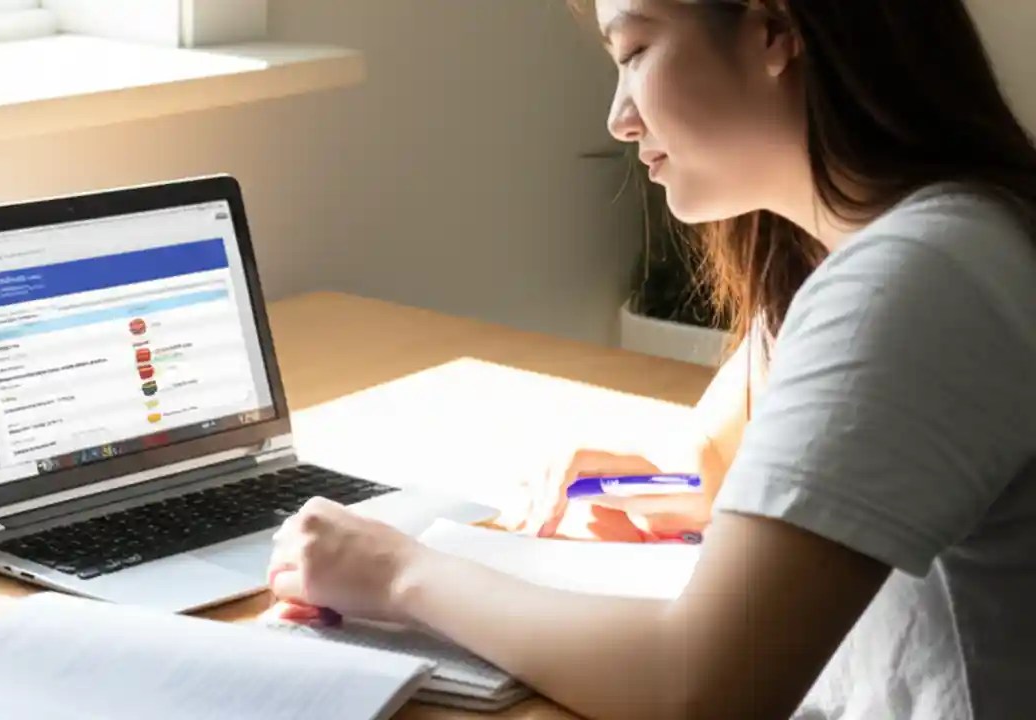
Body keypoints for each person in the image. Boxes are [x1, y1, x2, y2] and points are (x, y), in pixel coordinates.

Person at [265, 1, 1036, 717]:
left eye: (635, 50)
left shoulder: (918, 278)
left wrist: (397, 575)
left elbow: (698, 688)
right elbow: (719, 450)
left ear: (773, 30)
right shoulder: (900, 240)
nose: (619, 118)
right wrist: (682, 473)